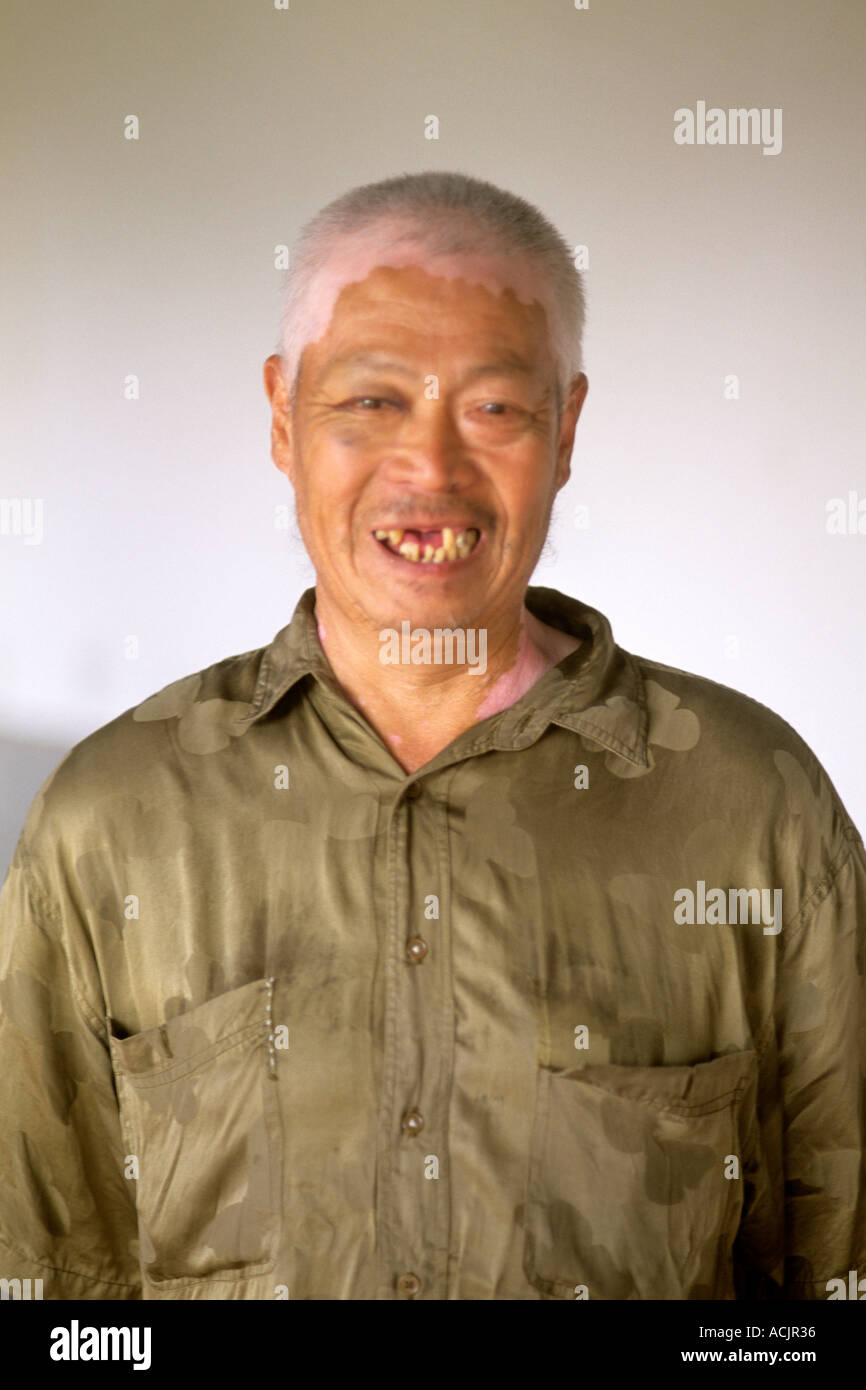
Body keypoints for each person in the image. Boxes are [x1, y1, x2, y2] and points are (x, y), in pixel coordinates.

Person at [0, 171, 863, 1301]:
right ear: (281, 416)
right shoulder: (105, 819)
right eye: (370, 402)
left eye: (494, 407)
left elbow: (831, 1281)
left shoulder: (754, 811)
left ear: (565, 430)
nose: (431, 471)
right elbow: (59, 1292)